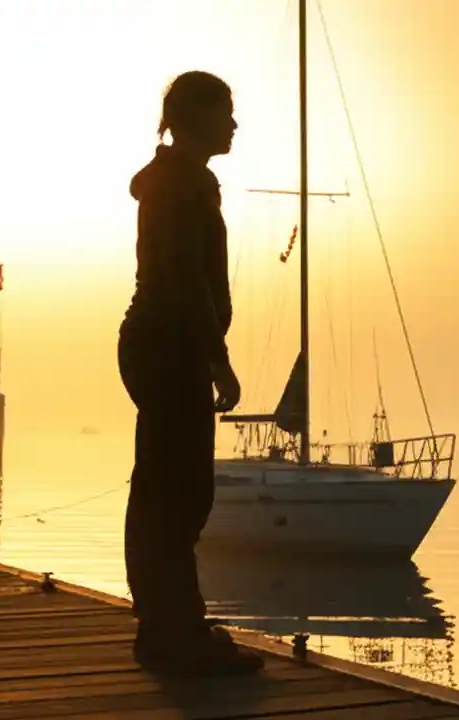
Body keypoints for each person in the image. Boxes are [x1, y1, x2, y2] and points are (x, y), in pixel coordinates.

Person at [117, 71, 263, 675]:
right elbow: (187, 283)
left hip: (160, 344)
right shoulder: (182, 186)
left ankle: (165, 627)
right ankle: (177, 636)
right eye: (225, 111)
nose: (234, 123)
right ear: (194, 116)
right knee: (178, 494)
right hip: (168, 344)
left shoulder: (178, 183)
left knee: (163, 489)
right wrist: (218, 360)